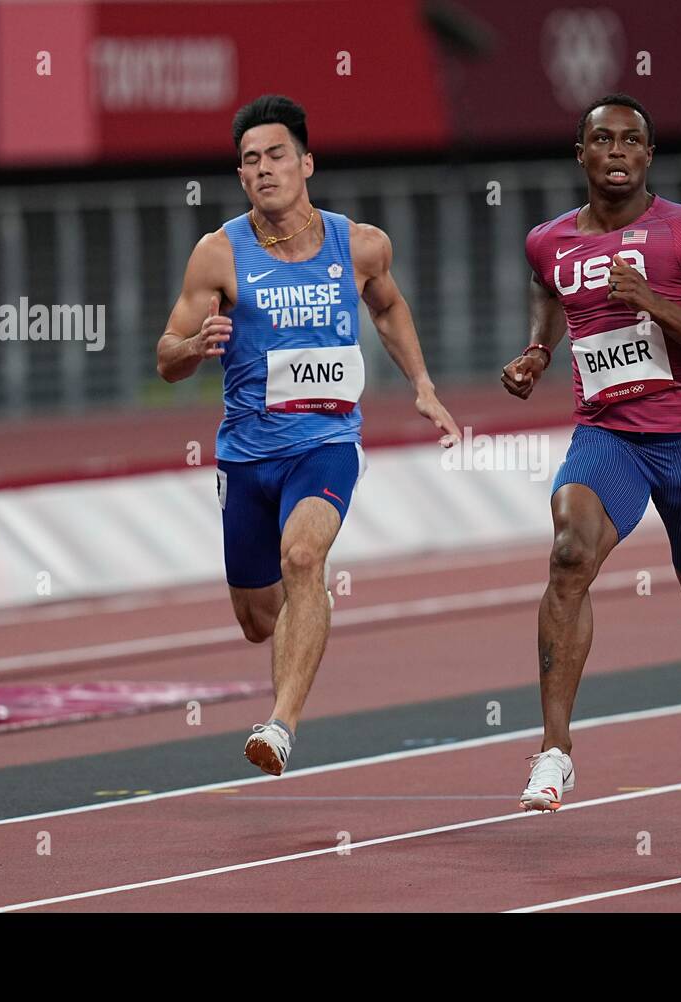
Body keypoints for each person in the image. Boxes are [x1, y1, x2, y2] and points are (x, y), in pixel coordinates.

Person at [157, 95, 460, 776]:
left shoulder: (360, 245)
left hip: (326, 443)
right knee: (259, 619)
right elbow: (166, 357)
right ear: (240, 178)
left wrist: (422, 384)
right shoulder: (217, 256)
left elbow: (388, 306)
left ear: (307, 163)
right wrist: (192, 345)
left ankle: (281, 726)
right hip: (247, 456)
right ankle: (300, 629)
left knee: (304, 558)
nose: (264, 170)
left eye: (276, 156)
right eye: (250, 162)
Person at [501, 93, 681, 812]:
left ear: (649, 156)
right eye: (603, 140)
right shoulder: (548, 241)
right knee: (569, 555)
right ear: (582, 155)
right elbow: (549, 288)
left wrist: (655, 305)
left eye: (632, 140)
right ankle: (555, 751)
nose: (617, 151)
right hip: (608, 437)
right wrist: (538, 349)